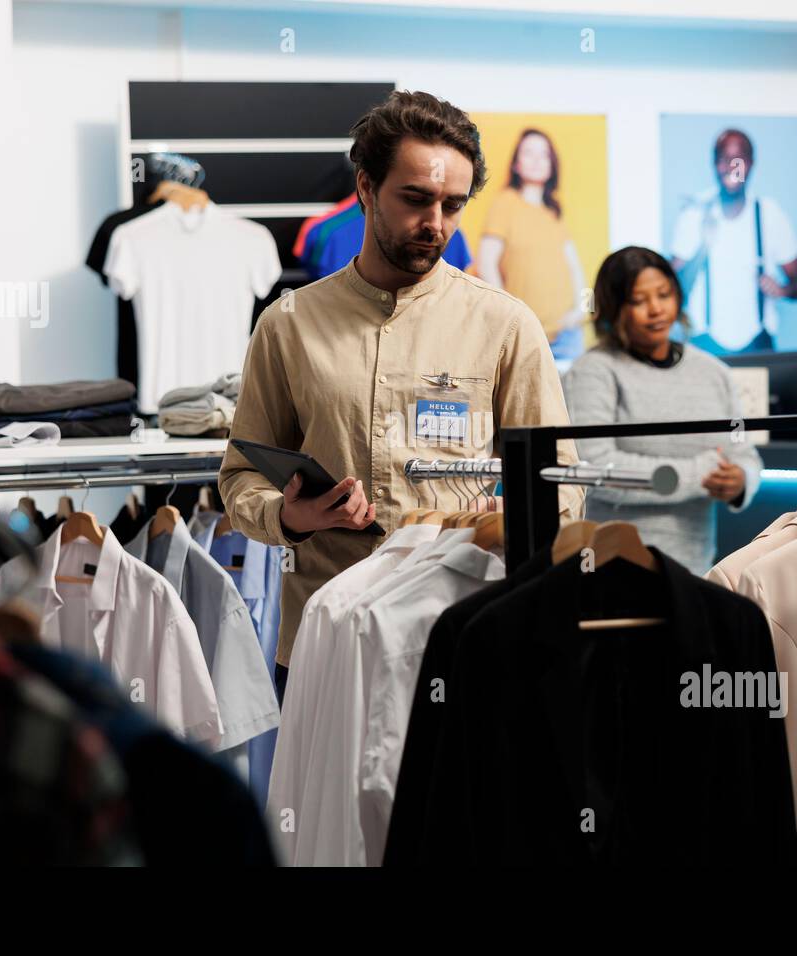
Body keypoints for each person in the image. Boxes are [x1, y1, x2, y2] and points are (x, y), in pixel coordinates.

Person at [218, 91, 585, 702]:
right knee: (320, 802)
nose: (435, 223)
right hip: (326, 638)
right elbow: (238, 479)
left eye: (452, 205)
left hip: (464, 637)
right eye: (415, 199)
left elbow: (558, 486)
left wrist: (503, 524)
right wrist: (290, 515)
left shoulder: (506, 326)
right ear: (365, 186)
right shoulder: (287, 326)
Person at [563, 246, 762, 576]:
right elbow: (595, 470)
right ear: (614, 309)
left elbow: (744, 454)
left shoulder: (714, 372)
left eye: (664, 295)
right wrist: (701, 473)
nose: (656, 309)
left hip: (695, 570)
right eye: (639, 301)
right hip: (612, 569)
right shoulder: (593, 371)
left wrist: (740, 480)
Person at [669, 128, 797, 354]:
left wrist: (782, 289)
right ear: (714, 164)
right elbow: (671, 285)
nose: (730, 167)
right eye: (723, 159)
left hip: (758, 344)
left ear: (750, 164)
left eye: (737, 159)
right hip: (704, 344)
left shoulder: (770, 214)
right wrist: (702, 247)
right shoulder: (694, 214)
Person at [475, 128, 587, 367]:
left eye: (544, 154)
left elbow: (577, 270)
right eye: (528, 152)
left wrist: (583, 311)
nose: (537, 160)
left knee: (574, 404)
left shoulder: (554, 211)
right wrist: (512, 318)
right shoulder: (504, 203)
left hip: (568, 337)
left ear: (552, 164)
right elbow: (485, 264)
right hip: (526, 337)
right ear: (516, 164)